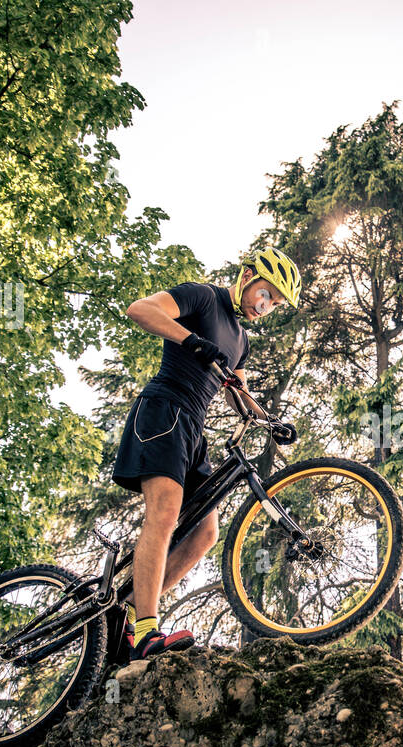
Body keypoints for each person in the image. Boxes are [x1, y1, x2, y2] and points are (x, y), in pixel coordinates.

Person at [111, 246, 302, 660]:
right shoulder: (202, 297)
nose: (266, 307)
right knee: (164, 511)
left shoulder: (241, 341)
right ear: (248, 275)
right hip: (163, 410)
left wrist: (270, 420)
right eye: (266, 294)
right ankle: (146, 630)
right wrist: (190, 339)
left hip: (193, 429)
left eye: (276, 304)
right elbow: (140, 309)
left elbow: (238, 393)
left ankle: (126, 610)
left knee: (205, 533)